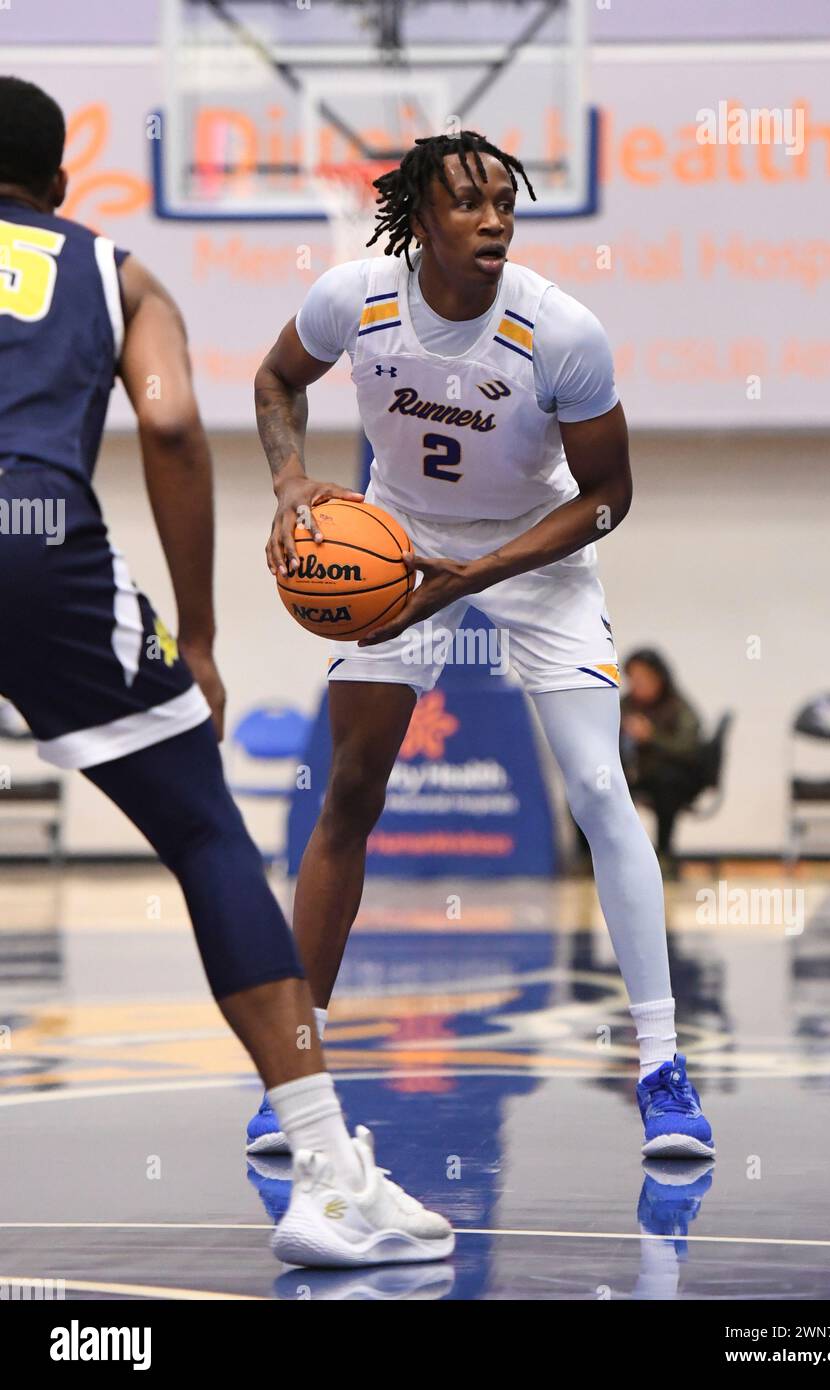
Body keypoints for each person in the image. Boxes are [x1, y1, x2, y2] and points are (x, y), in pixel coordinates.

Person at [0, 76, 451, 1270]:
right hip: (32, 546)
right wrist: (196, 636)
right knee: (204, 833)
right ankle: (325, 1174)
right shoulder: (113, 273)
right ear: (57, 186)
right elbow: (166, 425)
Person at [254, 130, 714, 1162]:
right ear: (420, 217)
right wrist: (290, 482)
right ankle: (295, 1069)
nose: (494, 218)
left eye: (505, 201)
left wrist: (479, 573)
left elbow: (610, 498)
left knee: (599, 787)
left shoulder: (561, 331)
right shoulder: (353, 298)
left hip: (537, 555)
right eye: (468, 202)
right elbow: (275, 381)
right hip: (395, 541)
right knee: (349, 791)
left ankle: (662, 1067)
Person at [620, 648, 703, 875]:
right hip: (636, 775)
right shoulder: (625, 705)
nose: (638, 684)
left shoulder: (678, 706)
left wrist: (651, 736)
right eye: (633, 679)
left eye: (644, 678)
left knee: (666, 783)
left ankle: (664, 856)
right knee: (590, 785)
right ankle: (588, 859)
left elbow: (689, 748)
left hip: (675, 778)